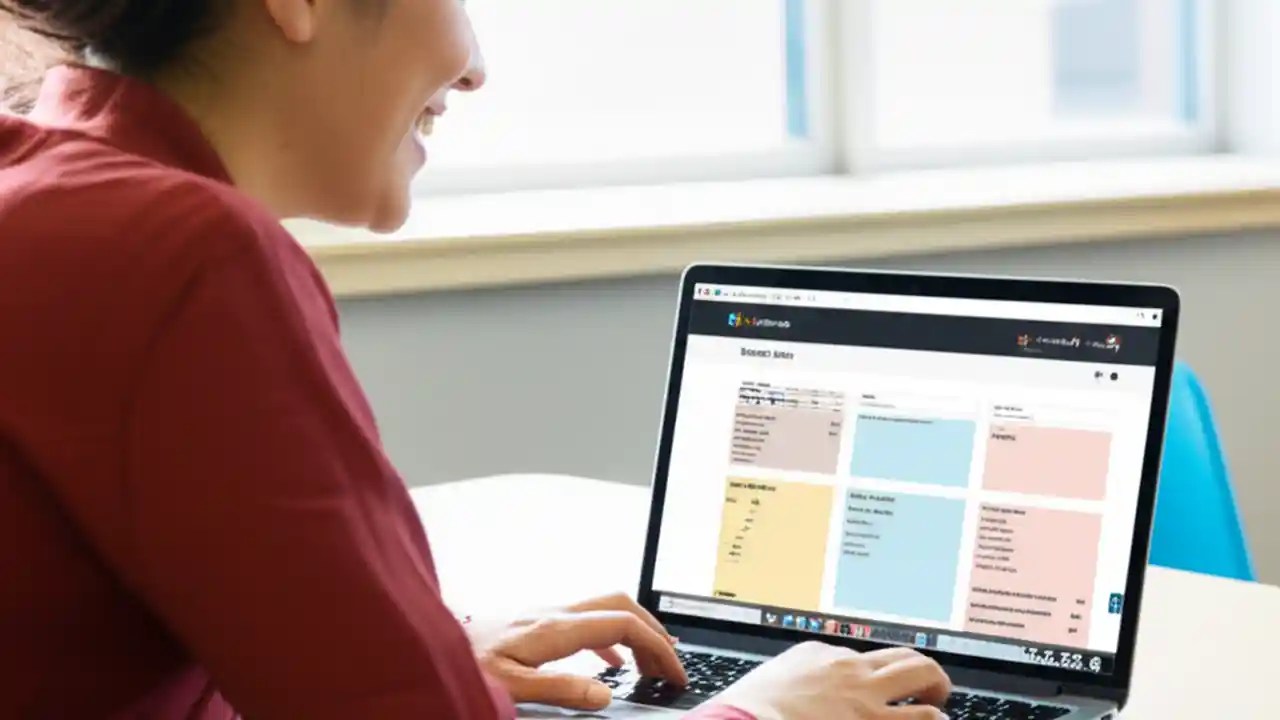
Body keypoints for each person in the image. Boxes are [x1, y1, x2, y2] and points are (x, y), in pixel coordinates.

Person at [0, 2, 952, 718]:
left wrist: (424, 657)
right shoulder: (184, 255)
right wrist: (766, 710)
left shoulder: (41, 192)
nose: (477, 69)